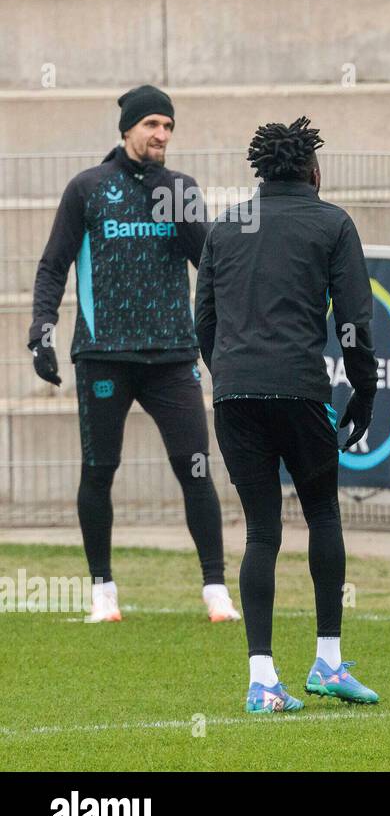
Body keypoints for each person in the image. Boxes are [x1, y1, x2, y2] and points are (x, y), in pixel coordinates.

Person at [28, 84, 235, 624]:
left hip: (172, 356)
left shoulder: (180, 190)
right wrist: (41, 330)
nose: (161, 134)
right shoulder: (88, 188)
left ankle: (216, 590)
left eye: (168, 126)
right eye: (151, 125)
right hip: (104, 355)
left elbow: (208, 264)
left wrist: (227, 329)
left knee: (195, 468)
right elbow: (53, 265)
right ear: (127, 129)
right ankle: (104, 593)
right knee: (99, 471)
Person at [196, 117, 380, 712]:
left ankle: (261, 680)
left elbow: (204, 320)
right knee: (323, 515)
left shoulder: (225, 228)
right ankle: (327, 661)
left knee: (261, 531)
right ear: (313, 170)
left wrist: (229, 374)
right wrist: (365, 392)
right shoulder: (332, 223)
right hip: (301, 392)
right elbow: (354, 323)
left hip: (235, 397)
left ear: (261, 169)